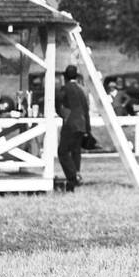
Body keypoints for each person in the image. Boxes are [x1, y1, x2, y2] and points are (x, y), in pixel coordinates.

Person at [56, 63, 89, 191]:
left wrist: (61, 114)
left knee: (63, 152)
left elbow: (59, 103)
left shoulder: (65, 89)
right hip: (81, 124)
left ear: (65, 77)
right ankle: (72, 183)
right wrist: (88, 130)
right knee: (75, 152)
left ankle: (73, 176)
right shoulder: (82, 90)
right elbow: (86, 110)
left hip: (70, 123)